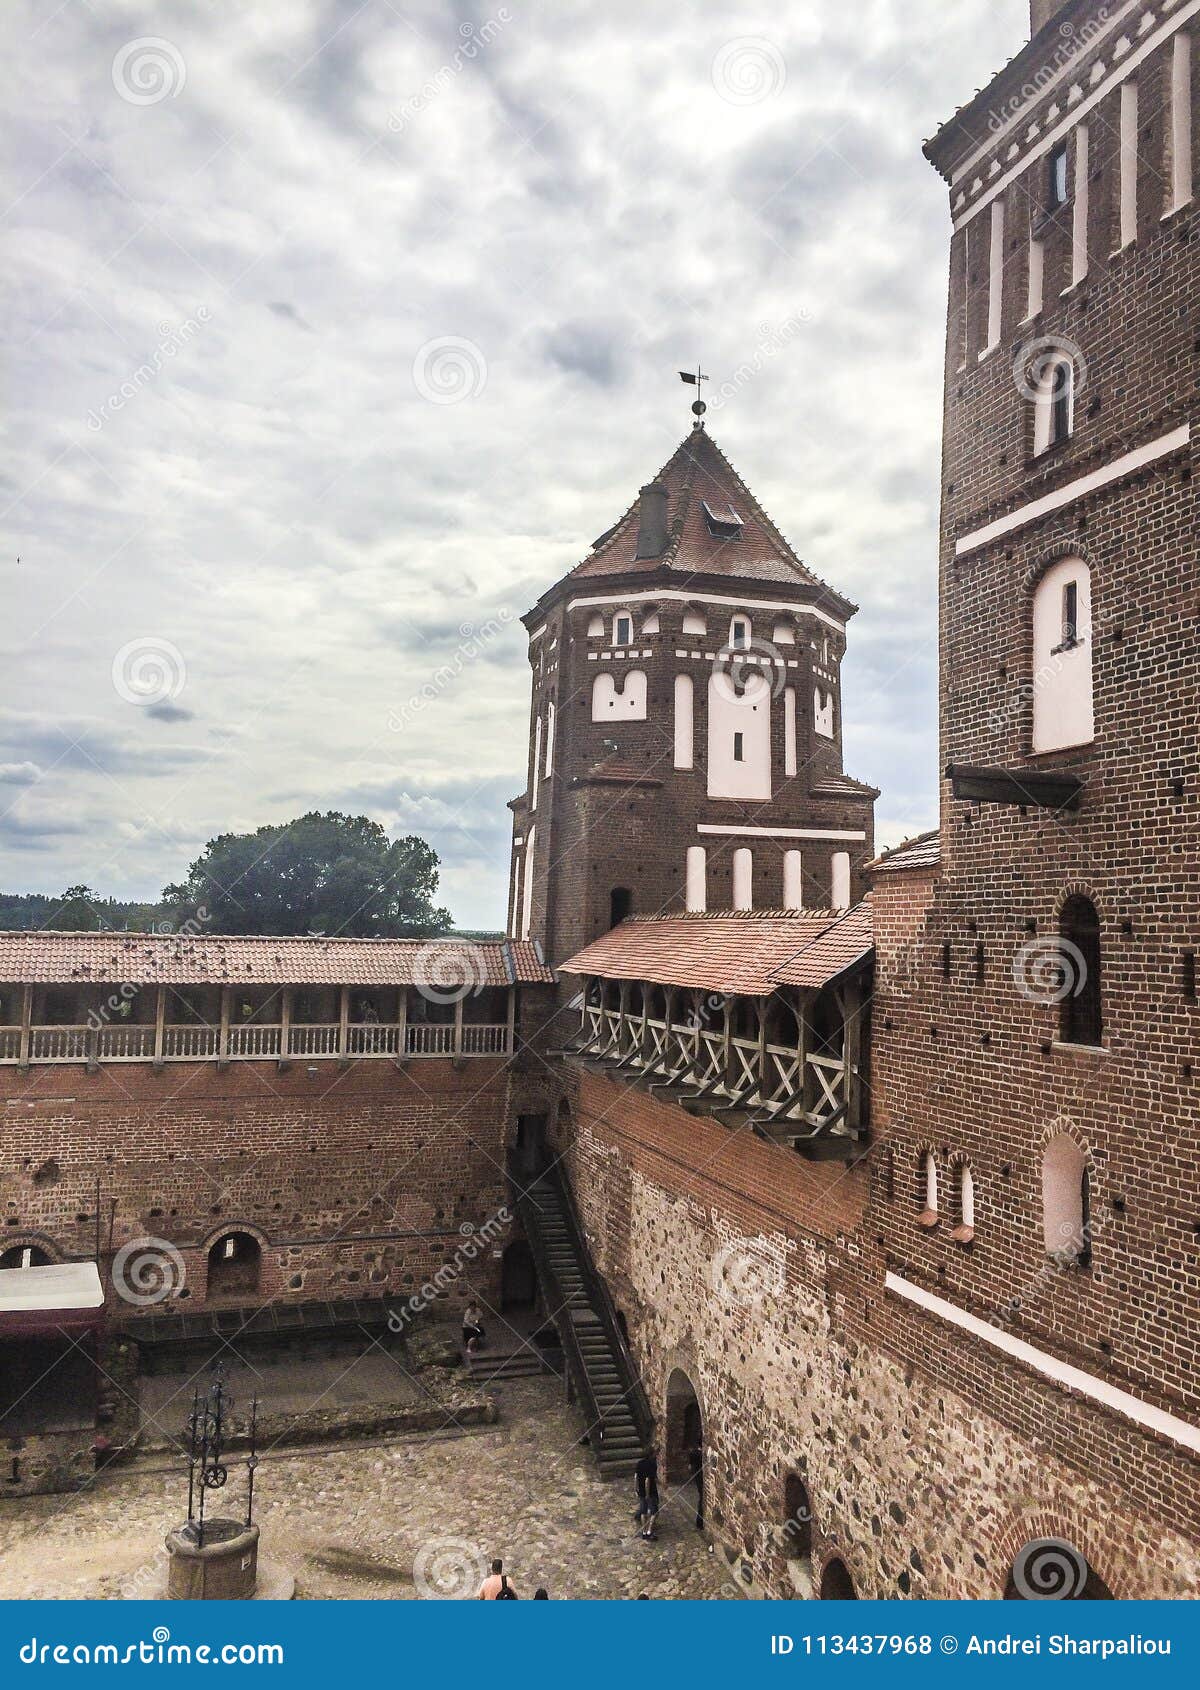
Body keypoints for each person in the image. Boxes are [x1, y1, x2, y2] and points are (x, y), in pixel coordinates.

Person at [633, 1446, 659, 1541]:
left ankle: (643, 1532)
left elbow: (635, 1477)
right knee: (654, 1512)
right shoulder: (652, 1464)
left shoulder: (639, 1463)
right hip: (650, 1491)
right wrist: (648, 1494)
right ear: (651, 1454)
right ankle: (649, 1531)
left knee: (643, 1511)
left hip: (641, 1491)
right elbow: (648, 1480)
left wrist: (636, 1489)